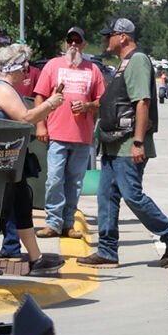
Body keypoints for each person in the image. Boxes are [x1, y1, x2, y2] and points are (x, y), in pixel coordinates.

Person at [82, 18, 168, 269]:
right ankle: (107, 251)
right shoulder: (124, 64)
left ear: (123, 37)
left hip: (128, 143)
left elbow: (143, 102)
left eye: (109, 35)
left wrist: (138, 142)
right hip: (112, 143)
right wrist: (90, 107)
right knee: (106, 196)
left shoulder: (138, 60)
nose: (105, 39)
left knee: (132, 195)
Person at [0, 43, 66, 276]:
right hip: (1, 161)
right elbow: (26, 117)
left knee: (22, 205)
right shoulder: (2, 89)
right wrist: (51, 103)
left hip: (10, 160)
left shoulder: (5, 88)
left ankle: (36, 259)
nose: (27, 71)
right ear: (13, 68)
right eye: (24, 66)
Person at [34, 27, 104, 239]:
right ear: (66, 44)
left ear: (84, 44)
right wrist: (41, 125)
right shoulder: (52, 66)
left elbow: (102, 101)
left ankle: (68, 223)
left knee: (75, 182)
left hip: (82, 137)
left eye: (77, 41)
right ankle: (53, 223)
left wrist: (88, 106)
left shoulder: (93, 70)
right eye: (70, 41)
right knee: (54, 178)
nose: (73, 45)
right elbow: (40, 97)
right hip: (56, 134)